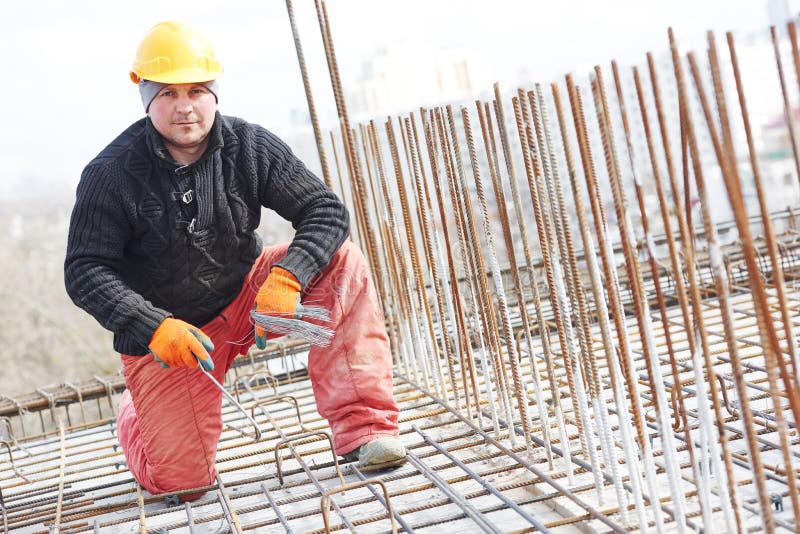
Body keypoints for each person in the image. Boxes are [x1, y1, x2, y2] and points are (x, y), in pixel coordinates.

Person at [64, 20, 405, 500]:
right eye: (167, 94)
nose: (185, 106)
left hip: (249, 295)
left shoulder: (249, 146)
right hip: (174, 337)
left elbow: (324, 212)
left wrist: (287, 278)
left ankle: (365, 429)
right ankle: (136, 413)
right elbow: (84, 271)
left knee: (340, 261)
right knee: (183, 485)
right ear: (145, 97)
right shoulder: (111, 174)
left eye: (197, 90)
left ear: (214, 92)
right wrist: (153, 326)